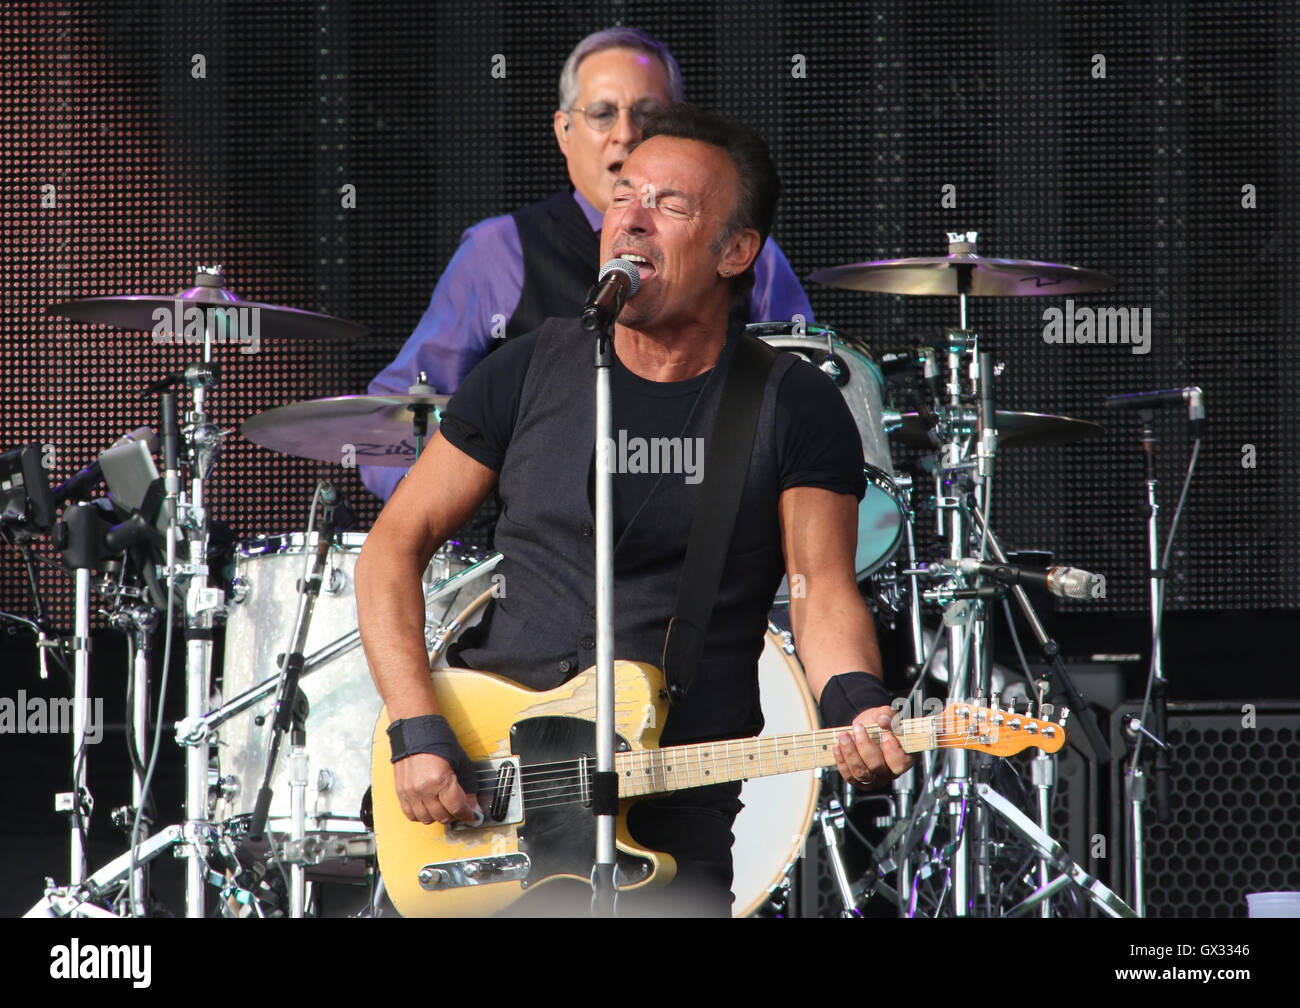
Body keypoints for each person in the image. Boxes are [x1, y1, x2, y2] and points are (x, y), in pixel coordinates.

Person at [355, 103, 911, 917]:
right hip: (495, 786)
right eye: (624, 196)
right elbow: (391, 548)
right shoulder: (526, 372)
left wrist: (854, 700)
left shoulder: (789, 405)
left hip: (673, 801)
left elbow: (818, 587)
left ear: (736, 251)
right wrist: (416, 728)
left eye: (671, 205)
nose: (633, 219)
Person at [361, 27, 811, 503]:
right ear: (564, 131)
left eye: (648, 115)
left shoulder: (738, 248)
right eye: (602, 114)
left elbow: (808, 380)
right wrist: (444, 509)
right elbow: (396, 417)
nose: (626, 134)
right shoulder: (498, 249)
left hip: (709, 531)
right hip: (528, 556)